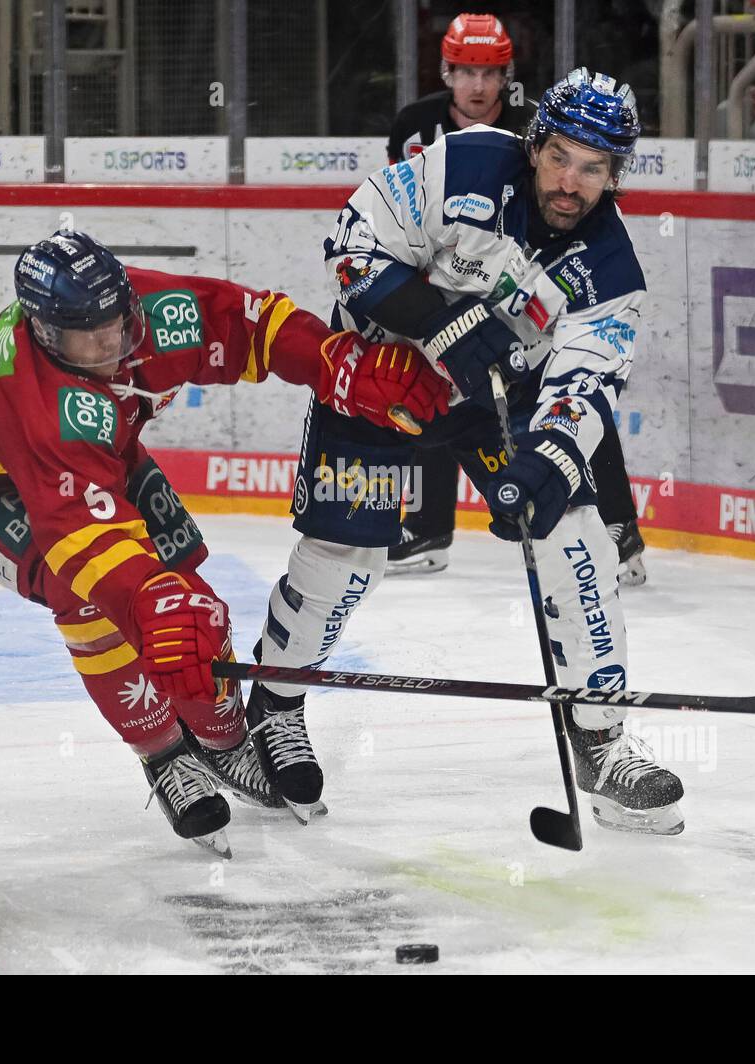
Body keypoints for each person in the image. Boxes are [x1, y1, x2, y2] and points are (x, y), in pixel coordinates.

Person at [0, 231, 449, 857]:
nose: (114, 343)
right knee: (90, 597)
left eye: (119, 322)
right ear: (49, 336)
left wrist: (332, 360)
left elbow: (251, 326)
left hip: (92, 457)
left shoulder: (142, 310)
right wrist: (144, 599)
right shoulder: (36, 400)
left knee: (189, 597)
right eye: (93, 335)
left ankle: (223, 740)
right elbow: (83, 536)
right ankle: (162, 754)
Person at [252, 69, 684, 835]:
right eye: (559, 156)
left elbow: (586, 388)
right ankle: (275, 706)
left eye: (593, 168)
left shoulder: (612, 273)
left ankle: (600, 736)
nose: (569, 181)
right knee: (345, 559)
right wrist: (441, 318)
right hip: (382, 375)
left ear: (616, 175)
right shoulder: (467, 161)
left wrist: (547, 463)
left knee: (573, 533)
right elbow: (350, 247)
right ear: (534, 144)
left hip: (497, 402)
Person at [384, 15, 649, 586]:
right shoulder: (415, 126)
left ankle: (615, 526)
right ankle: (429, 527)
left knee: (573, 395)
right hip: (458, 279)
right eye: (465, 72)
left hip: (538, 296)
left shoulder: (537, 136)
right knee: (437, 381)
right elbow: (410, 216)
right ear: (446, 73)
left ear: (507, 77)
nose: (477, 86)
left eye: (490, 73)